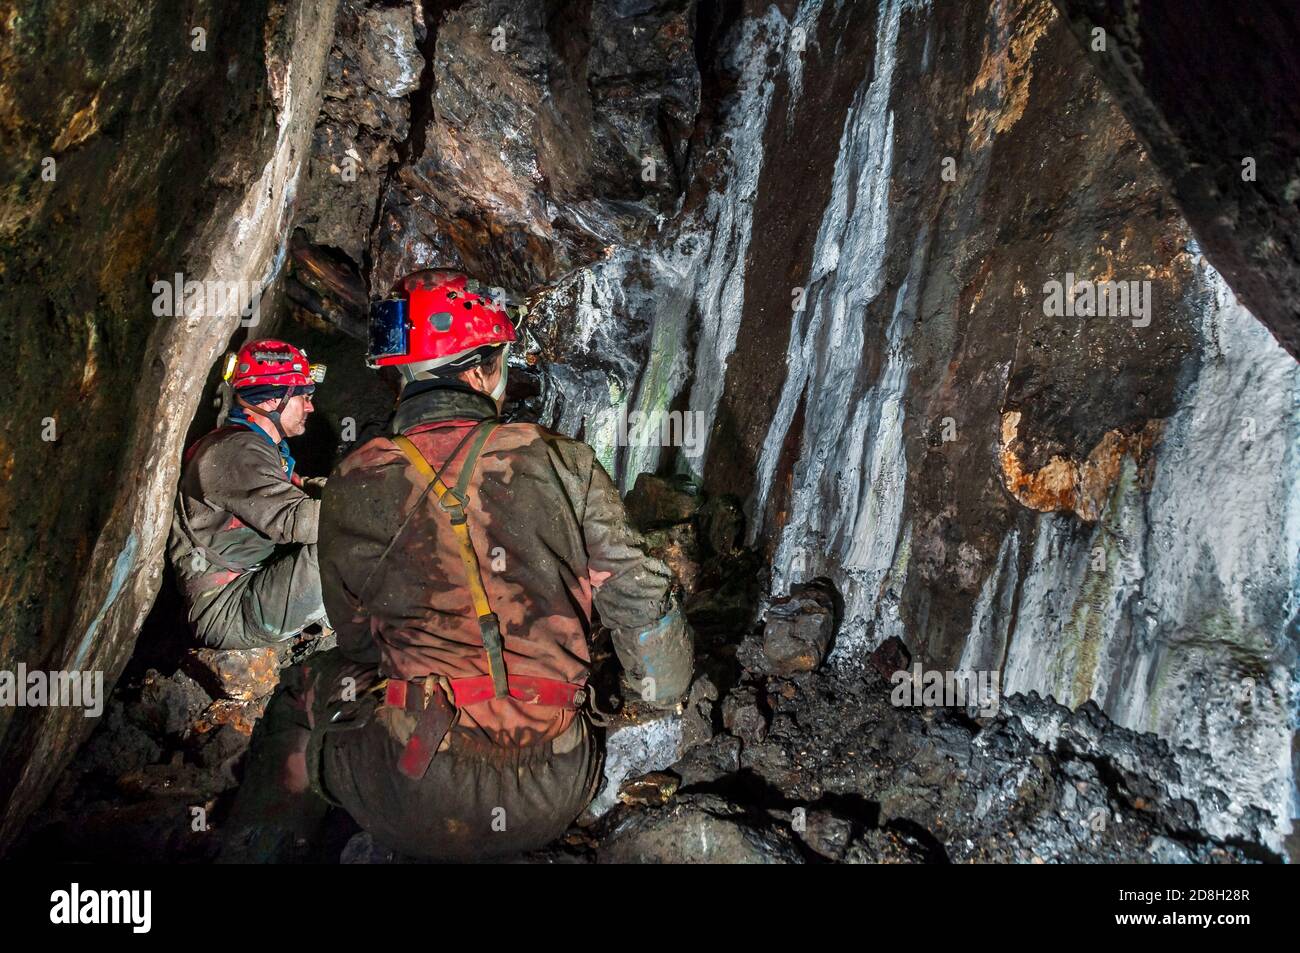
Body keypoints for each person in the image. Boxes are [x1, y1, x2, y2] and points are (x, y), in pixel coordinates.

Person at [222, 271, 692, 862]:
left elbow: (361, 644)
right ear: (478, 371)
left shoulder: (353, 479)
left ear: (403, 375)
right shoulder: (562, 460)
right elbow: (639, 597)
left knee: (304, 686)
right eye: (497, 363)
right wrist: (656, 701)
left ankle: (256, 850)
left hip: (415, 789)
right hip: (556, 785)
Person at [169, 339, 329, 650]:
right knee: (348, 539)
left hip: (251, 588)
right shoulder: (234, 451)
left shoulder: (257, 448)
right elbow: (298, 520)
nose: (310, 407)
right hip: (228, 608)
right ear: (271, 401)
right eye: (303, 397)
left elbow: (301, 488)